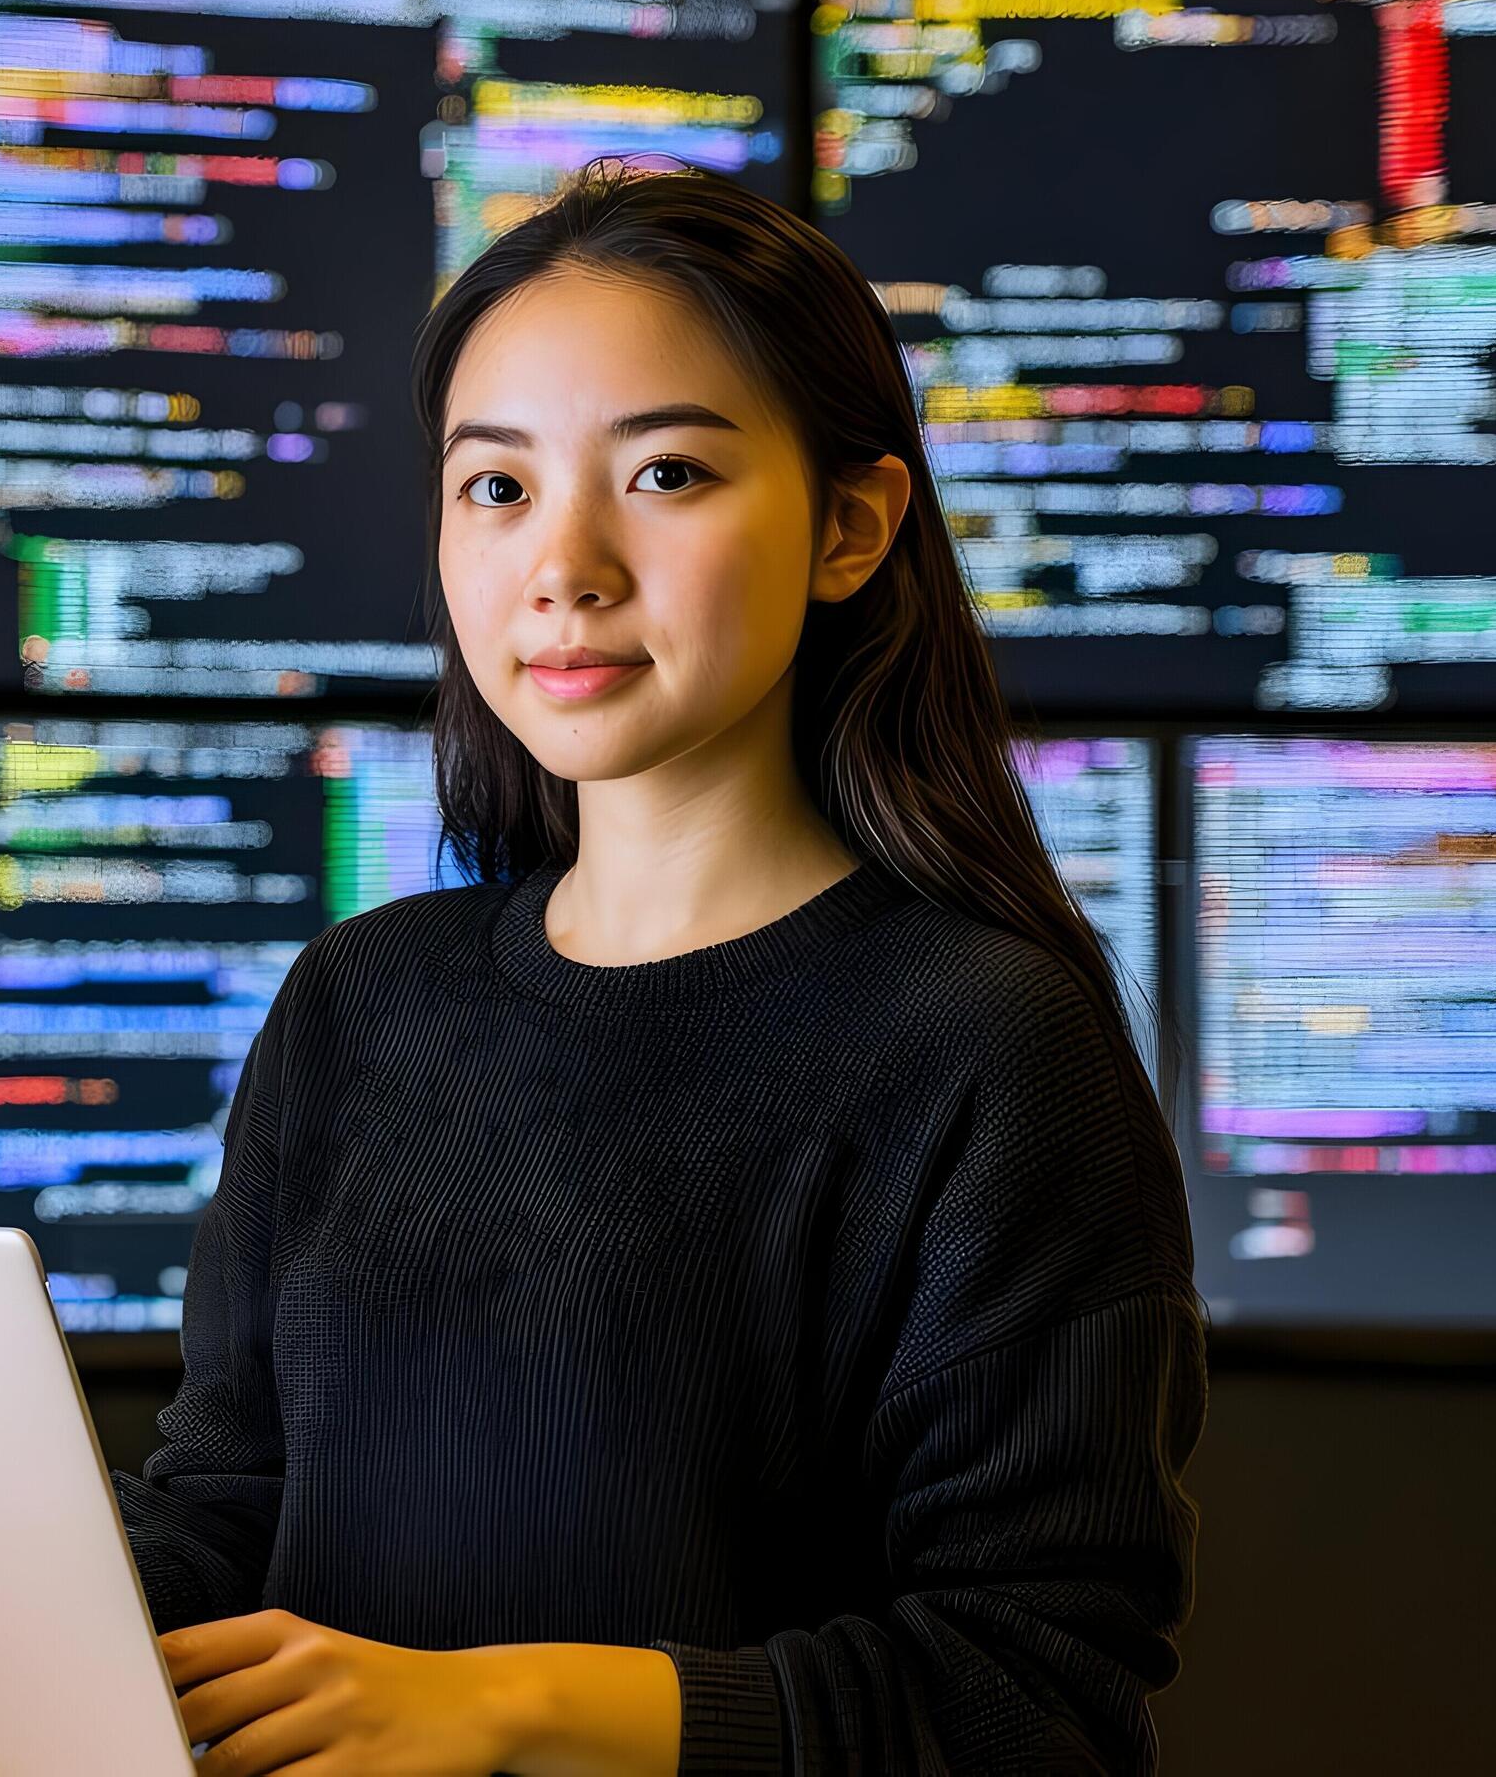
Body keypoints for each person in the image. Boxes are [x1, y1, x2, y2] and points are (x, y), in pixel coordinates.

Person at [113, 164, 1205, 1776]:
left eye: (669, 473)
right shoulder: (358, 1002)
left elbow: (1032, 1692)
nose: (564, 566)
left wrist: (501, 1708)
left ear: (851, 529)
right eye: (496, 488)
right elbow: (224, 1504)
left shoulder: (992, 1050)